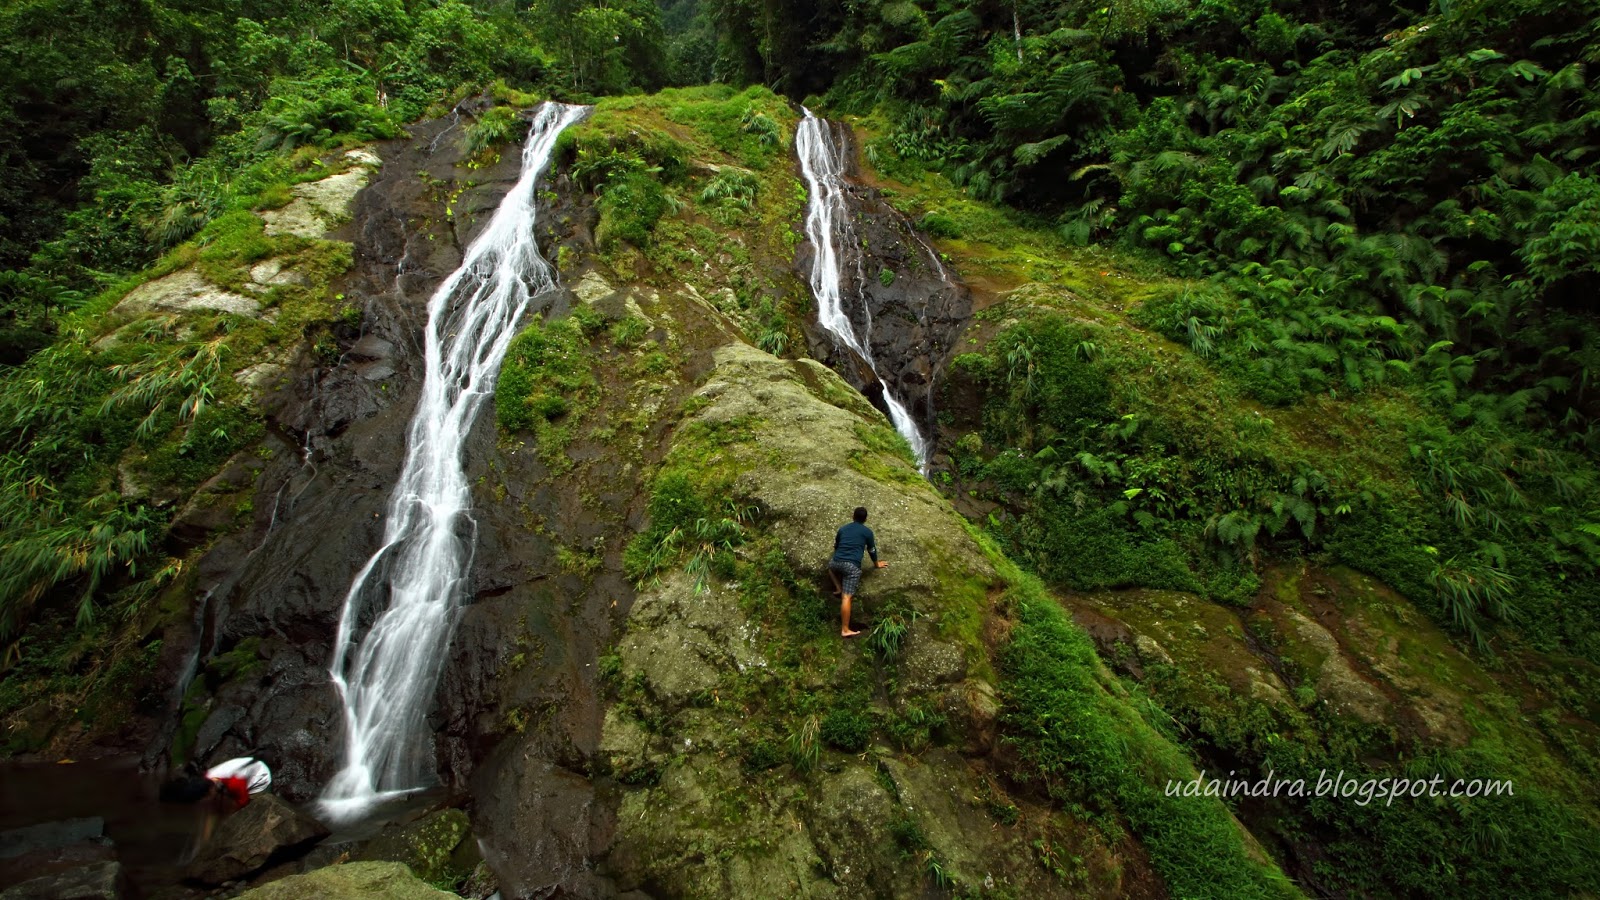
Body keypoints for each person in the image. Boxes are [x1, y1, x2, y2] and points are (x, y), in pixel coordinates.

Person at [161, 757, 273, 850]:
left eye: (203, 800)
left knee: (252, 816)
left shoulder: (235, 783)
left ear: (209, 792)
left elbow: (243, 806)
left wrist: (227, 823)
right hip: (234, 780)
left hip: (260, 778)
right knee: (214, 811)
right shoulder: (206, 780)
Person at [828, 506, 888, 637]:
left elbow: (836, 545)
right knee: (847, 597)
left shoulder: (843, 529)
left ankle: (838, 587)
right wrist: (876, 563)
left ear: (852, 516)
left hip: (836, 562)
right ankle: (845, 629)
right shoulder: (867, 532)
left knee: (831, 567)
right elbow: (871, 550)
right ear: (865, 519)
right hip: (851, 567)